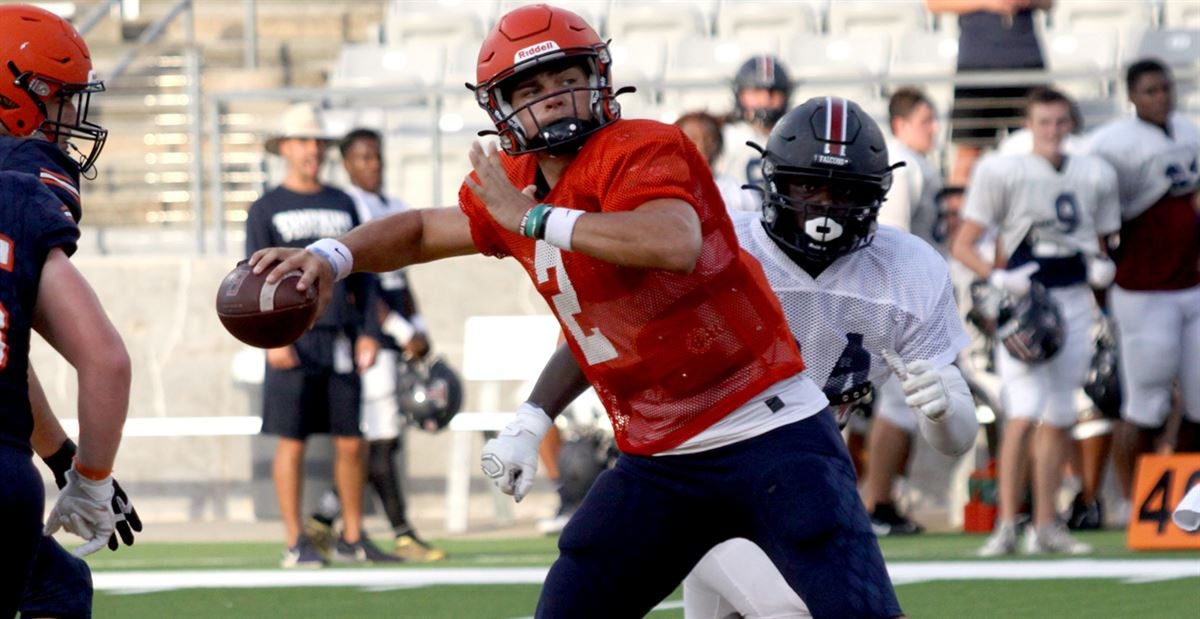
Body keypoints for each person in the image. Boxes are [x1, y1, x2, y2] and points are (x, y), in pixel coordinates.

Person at [250, 5, 903, 617]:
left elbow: (671, 241)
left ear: (601, 77)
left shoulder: (641, 147)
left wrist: (532, 218)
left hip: (769, 431)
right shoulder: (517, 182)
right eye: (531, 88)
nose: (554, 95)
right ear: (501, 108)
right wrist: (329, 257)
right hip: (662, 458)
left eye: (567, 76)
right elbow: (423, 230)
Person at [525, 97, 981, 618]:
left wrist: (943, 408)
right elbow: (603, 333)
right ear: (772, 181)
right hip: (702, 467)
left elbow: (956, 439)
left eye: (843, 191)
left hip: (802, 479)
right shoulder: (716, 240)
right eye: (806, 185)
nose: (823, 208)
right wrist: (533, 415)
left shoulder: (906, 268)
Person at [0, 5, 137, 618]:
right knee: (58, 591)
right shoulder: (22, 187)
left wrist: (58, 455)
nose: (68, 119)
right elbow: (105, 360)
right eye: (59, 99)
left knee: (55, 584)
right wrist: (91, 475)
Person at [950, 87, 1120, 556]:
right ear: (1029, 126)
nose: (1053, 131)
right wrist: (1000, 277)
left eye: (1061, 122)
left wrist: (1101, 273)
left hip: (1072, 299)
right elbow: (964, 243)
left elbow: (1104, 244)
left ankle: (1046, 524)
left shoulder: (1094, 172)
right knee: (1022, 413)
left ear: (1072, 125)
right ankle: (1007, 523)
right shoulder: (1004, 171)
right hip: (1026, 303)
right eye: (1044, 122)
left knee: (1062, 413)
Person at [245, 104, 395, 567]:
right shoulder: (266, 207)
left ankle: (353, 534)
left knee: (352, 439)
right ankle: (296, 541)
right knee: (291, 440)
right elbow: (251, 279)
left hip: (339, 335)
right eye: (303, 141)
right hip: (292, 337)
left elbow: (366, 271)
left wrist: (369, 330)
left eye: (317, 142)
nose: (312, 150)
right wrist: (274, 340)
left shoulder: (344, 203)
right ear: (285, 148)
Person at [304, 127, 446, 562]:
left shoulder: (395, 206)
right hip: (372, 336)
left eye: (376, 156)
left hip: (399, 329)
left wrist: (417, 325)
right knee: (378, 436)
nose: (373, 165)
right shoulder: (352, 206)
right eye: (363, 158)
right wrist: (401, 331)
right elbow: (364, 283)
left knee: (382, 438)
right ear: (345, 163)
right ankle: (396, 529)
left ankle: (327, 518)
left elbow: (402, 279)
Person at [1086, 58, 1200, 518]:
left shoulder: (1189, 131)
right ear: (1132, 96)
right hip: (1144, 289)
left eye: (1165, 88)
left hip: (1190, 284)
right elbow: (1099, 218)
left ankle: (1187, 507)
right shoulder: (1110, 146)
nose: (1161, 97)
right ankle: (1138, 504)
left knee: (1198, 401)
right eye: (1150, 90)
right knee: (1146, 403)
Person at [866, 86, 949, 537]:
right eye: (924, 119)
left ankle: (885, 499)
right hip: (904, 300)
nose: (933, 128)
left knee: (909, 404)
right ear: (900, 123)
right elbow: (893, 241)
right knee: (899, 404)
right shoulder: (900, 164)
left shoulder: (919, 163)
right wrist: (907, 303)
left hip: (920, 296)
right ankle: (876, 500)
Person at [924, 0, 1052, 189]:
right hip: (977, 70)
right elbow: (934, 4)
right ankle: (958, 216)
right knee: (968, 155)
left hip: (1025, 67)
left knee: (1035, 150)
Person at [717, 55, 792, 193]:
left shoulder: (795, 138)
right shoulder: (725, 138)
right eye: (756, 92)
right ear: (740, 94)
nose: (765, 99)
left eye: (774, 93)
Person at [675, 111, 759, 212]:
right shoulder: (665, 192)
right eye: (693, 139)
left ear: (719, 145)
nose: (702, 146)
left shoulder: (740, 193)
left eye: (710, 139)